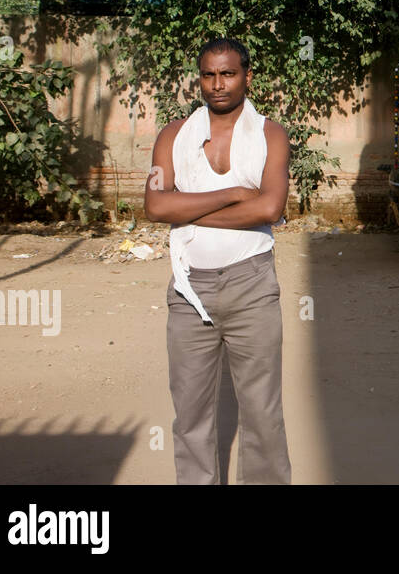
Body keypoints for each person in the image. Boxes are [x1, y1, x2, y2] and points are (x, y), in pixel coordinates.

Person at [145, 37, 292, 484]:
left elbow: (269, 209)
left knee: (262, 413)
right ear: (200, 79)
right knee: (190, 413)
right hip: (190, 291)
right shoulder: (173, 136)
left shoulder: (270, 135)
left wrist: (188, 206)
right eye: (209, 75)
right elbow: (155, 206)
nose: (218, 84)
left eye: (228, 73)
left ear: (247, 76)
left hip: (252, 287)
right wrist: (231, 193)